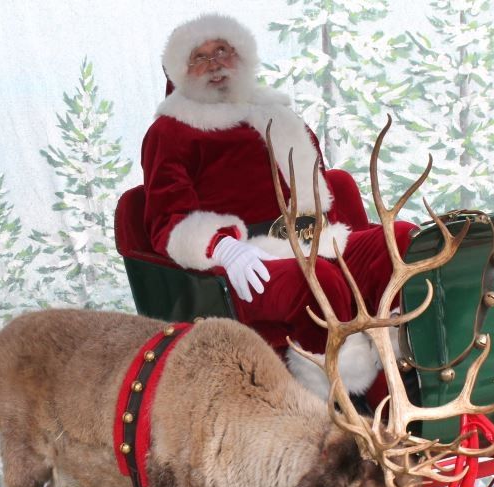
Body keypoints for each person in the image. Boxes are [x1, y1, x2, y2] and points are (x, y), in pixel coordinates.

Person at [141, 13, 416, 402]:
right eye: (199, 58)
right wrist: (223, 247)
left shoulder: (279, 116)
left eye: (222, 51)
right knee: (317, 280)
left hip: (314, 237)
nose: (214, 64)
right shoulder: (172, 132)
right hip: (248, 260)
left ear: (241, 56)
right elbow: (167, 219)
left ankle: (412, 380)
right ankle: (340, 404)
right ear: (181, 72)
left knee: (403, 241)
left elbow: (320, 196)